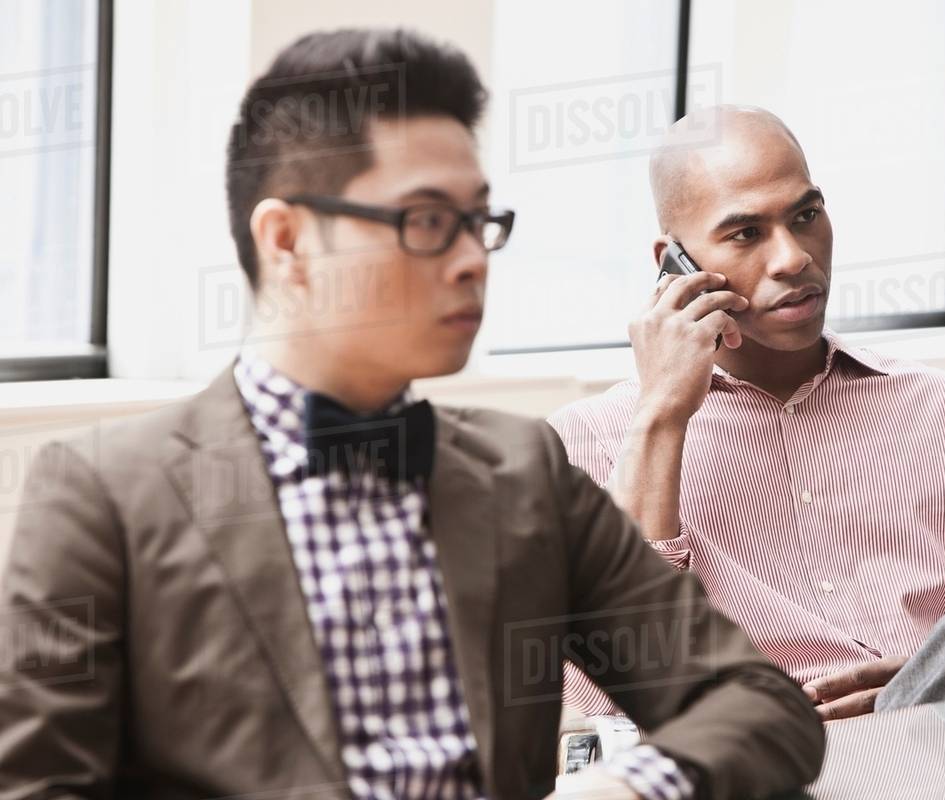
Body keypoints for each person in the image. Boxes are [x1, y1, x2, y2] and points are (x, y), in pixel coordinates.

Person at [0, 34, 824, 800]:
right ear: (286, 241)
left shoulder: (523, 474)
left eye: (477, 222)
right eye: (428, 221)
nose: (470, 261)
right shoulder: (104, 496)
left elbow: (757, 706)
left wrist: (620, 790)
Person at [550, 105, 945, 724]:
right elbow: (600, 698)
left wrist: (943, 683)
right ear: (673, 262)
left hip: (938, 760)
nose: (792, 258)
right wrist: (660, 418)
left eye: (805, 216)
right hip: (736, 764)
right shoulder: (580, 444)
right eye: (745, 233)